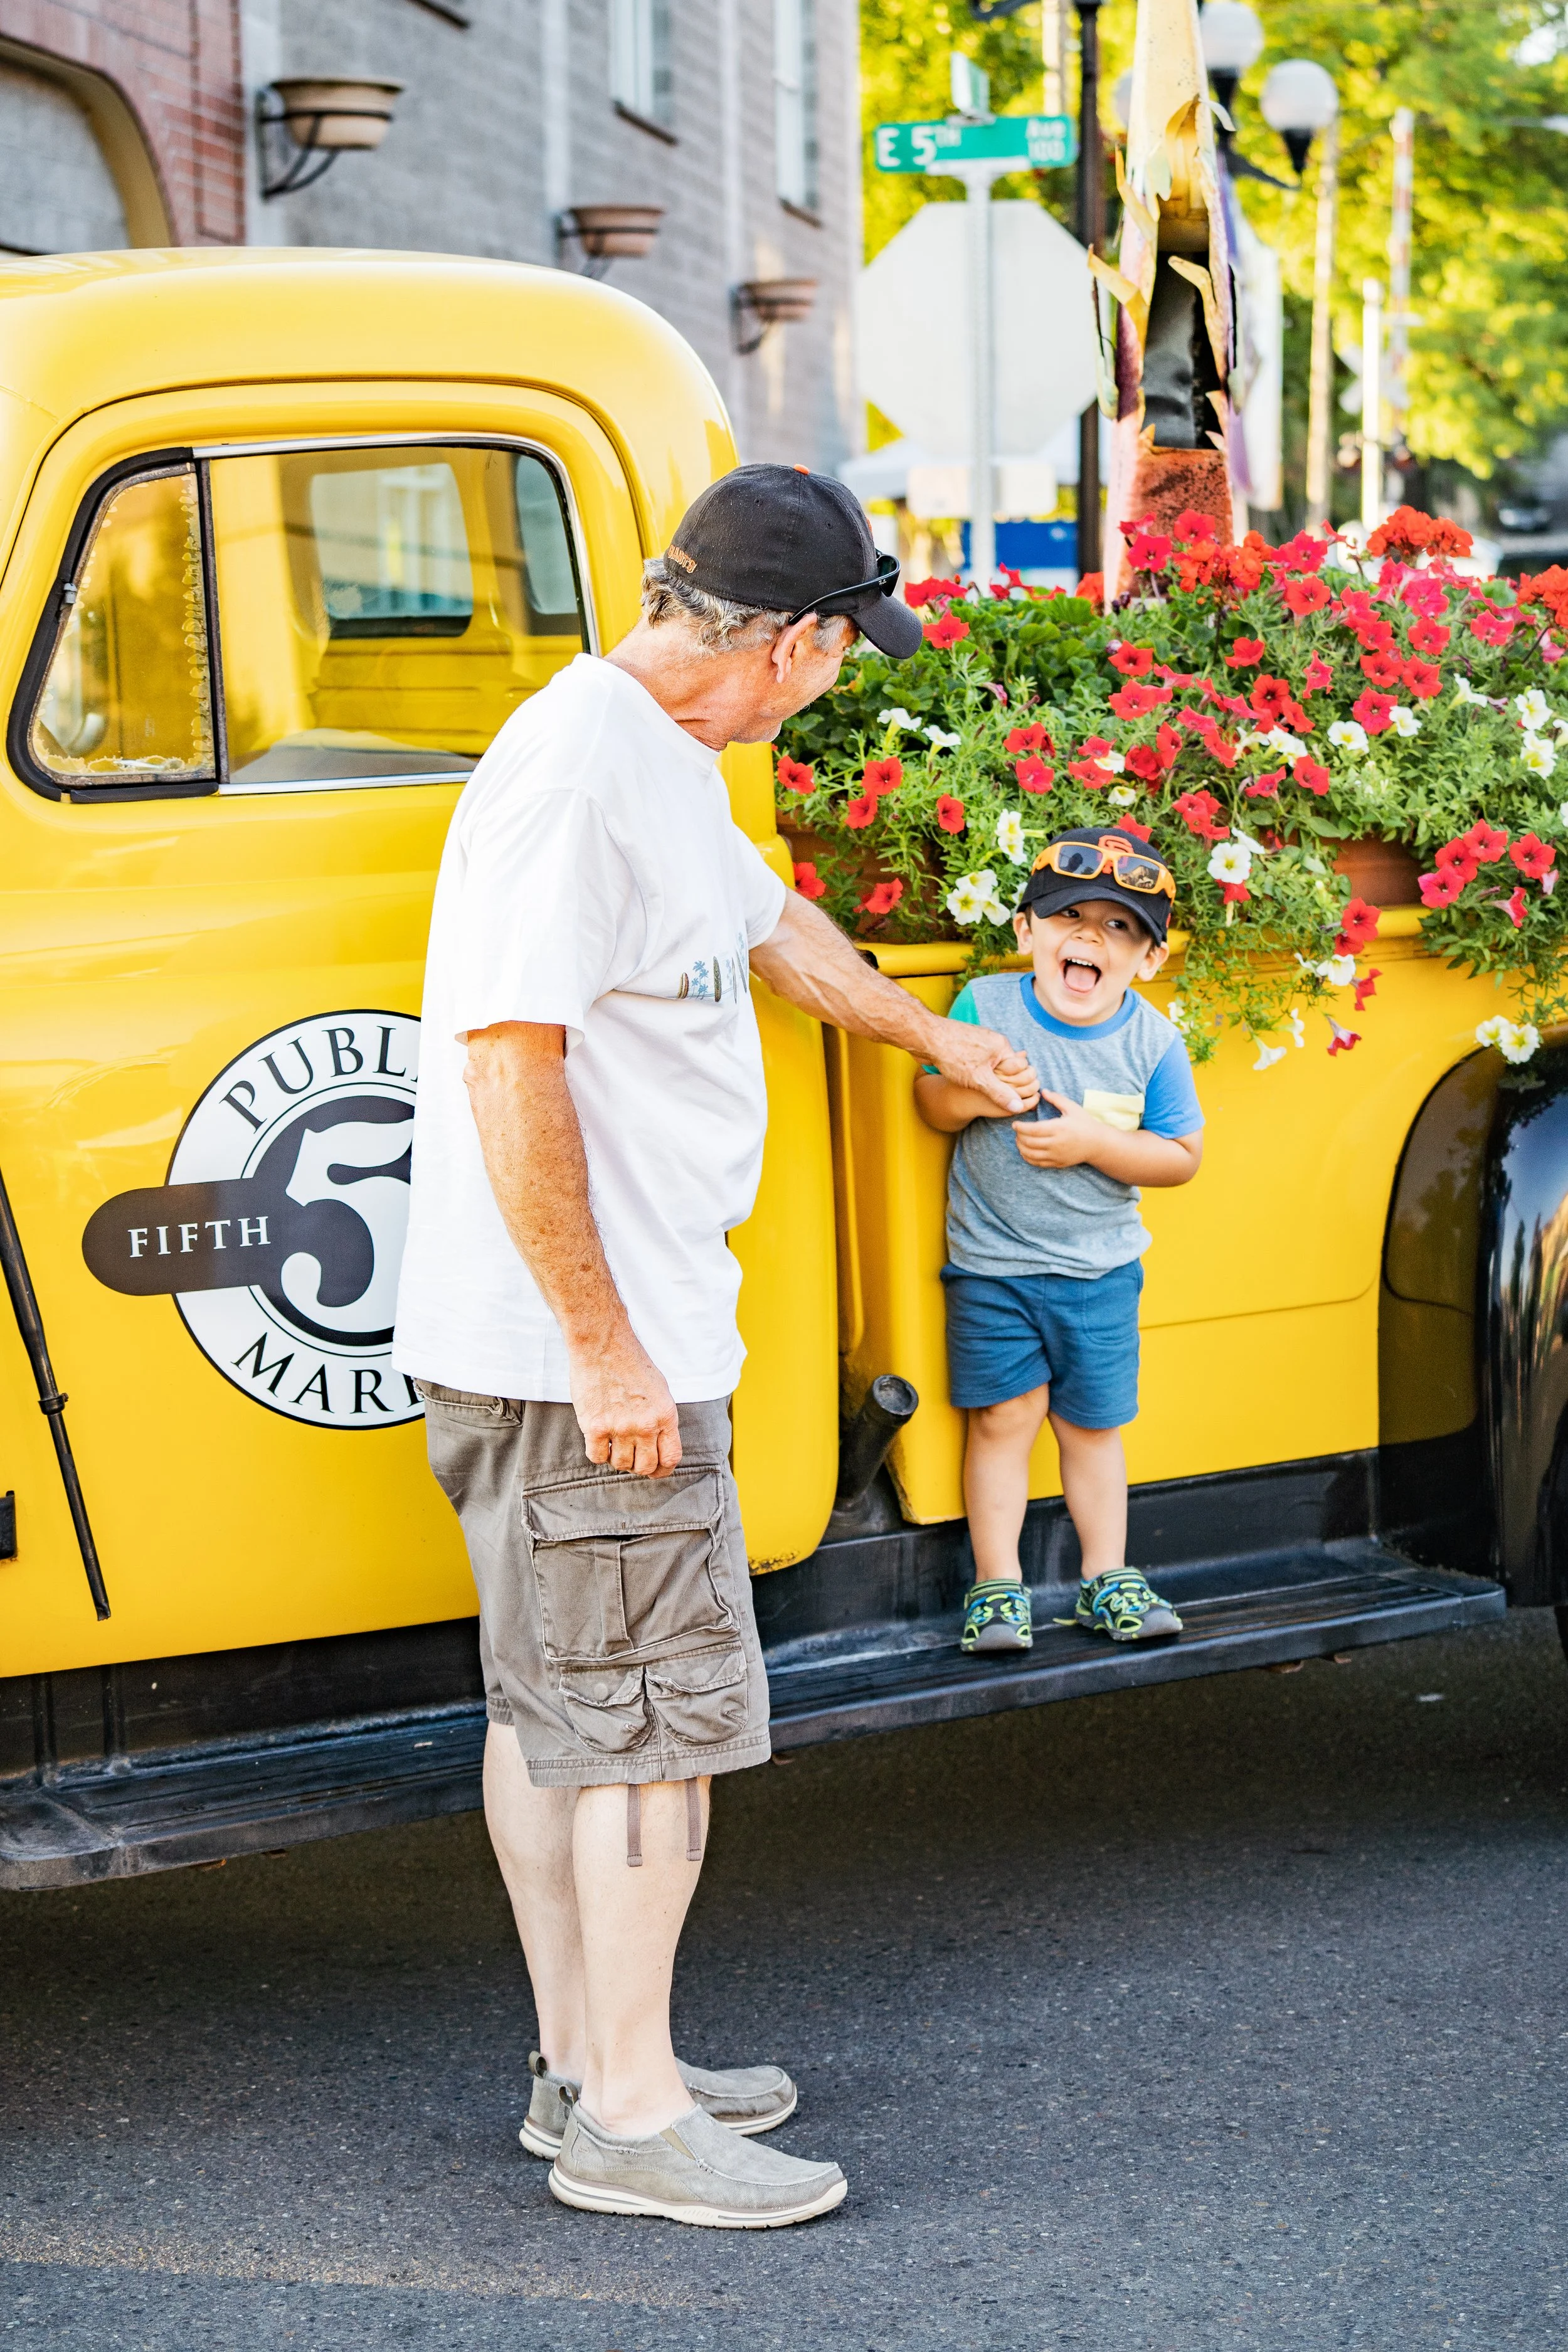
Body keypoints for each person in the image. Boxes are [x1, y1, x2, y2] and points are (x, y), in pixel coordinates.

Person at [393, 464, 1025, 2229]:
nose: (836, 681)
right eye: (842, 652)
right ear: (796, 640)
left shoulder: (658, 758)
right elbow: (509, 1061)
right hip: (584, 1351)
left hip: (568, 1336)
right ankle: (636, 2116)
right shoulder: (578, 776)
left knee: (557, 1708)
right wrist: (606, 1352)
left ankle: (588, 2059)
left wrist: (936, 1034)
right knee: (651, 1729)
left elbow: (768, 925)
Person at [913, 825, 1205, 1656]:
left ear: (1148, 959)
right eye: (1069, 915)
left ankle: (1106, 1574)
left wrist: (1095, 1145)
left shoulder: (1153, 1042)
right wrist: (978, 1096)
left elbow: (1181, 1157)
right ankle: (997, 1585)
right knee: (1004, 1419)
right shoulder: (988, 1008)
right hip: (992, 1268)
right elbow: (930, 1100)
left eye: (1120, 928)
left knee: (1090, 1427)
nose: (1090, 937)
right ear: (1026, 932)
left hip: (1100, 1274)